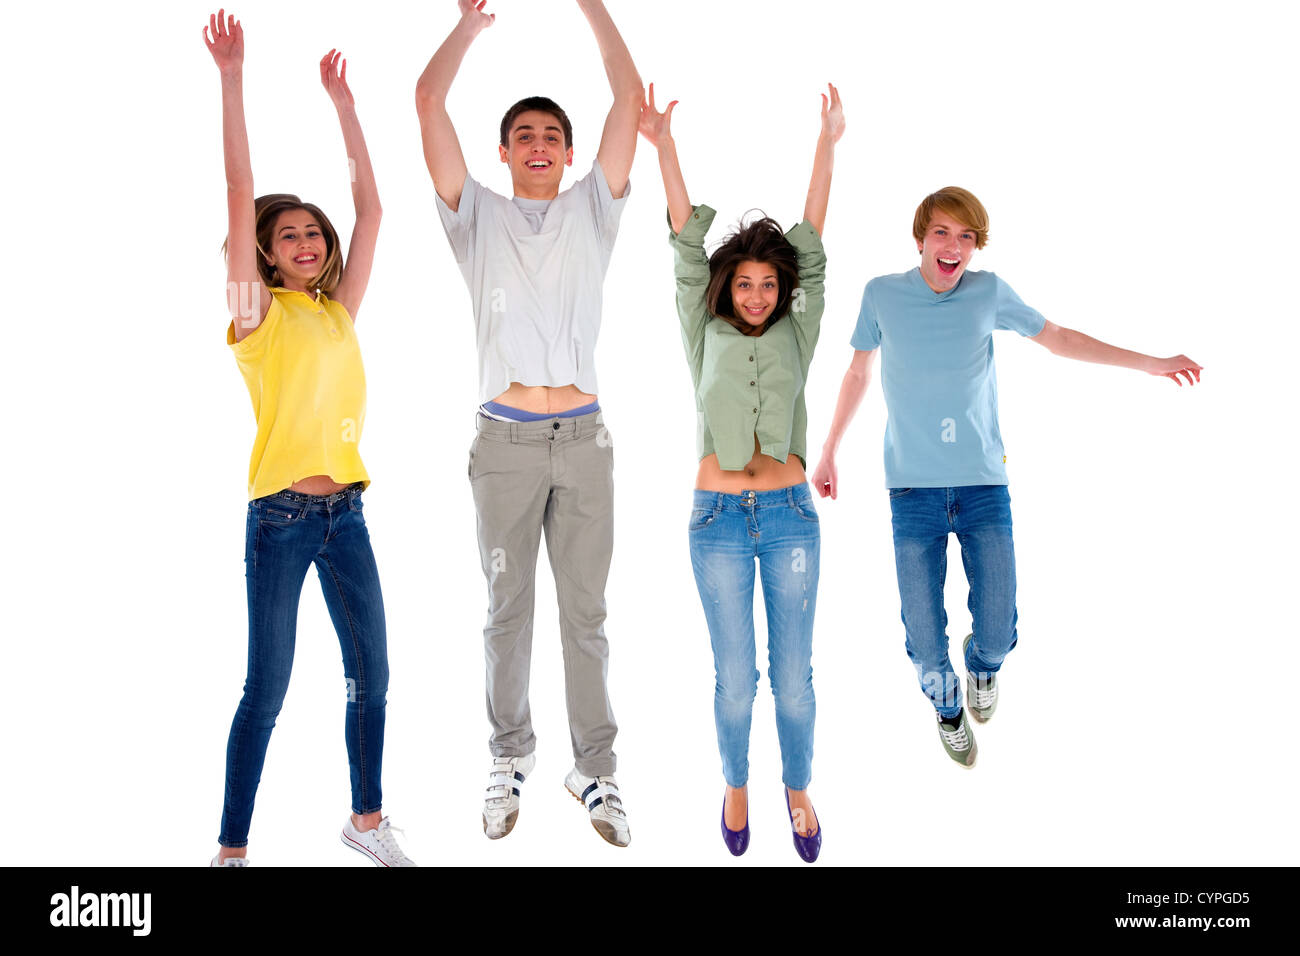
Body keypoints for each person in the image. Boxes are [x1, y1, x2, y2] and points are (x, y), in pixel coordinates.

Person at [812, 186, 1202, 768]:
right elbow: (858, 373)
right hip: (912, 490)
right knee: (923, 638)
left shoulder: (987, 292)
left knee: (996, 630)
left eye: (966, 237)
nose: (954, 246)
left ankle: (983, 666)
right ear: (921, 238)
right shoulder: (881, 295)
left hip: (981, 486)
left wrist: (1152, 362)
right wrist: (829, 450)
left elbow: (1059, 338)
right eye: (942, 233)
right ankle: (946, 710)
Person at [415, 0, 641, 847]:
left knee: (587, 614)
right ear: (504, 154)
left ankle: (597, 770)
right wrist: (469, 29)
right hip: (503, 445)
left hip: (583, 445)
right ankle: (510, 755)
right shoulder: (475, 217)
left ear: (569, 153)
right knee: (505, 610)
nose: (540, 144)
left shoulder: (594, 211)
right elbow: (425, 103)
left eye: (553, 135)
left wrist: (590, 5)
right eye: (525, 137)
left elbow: (625, 100)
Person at [205, 10, 413, 866]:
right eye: (286, 233)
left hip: (348, 516)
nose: (305, 239)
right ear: (263, 251)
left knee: (374, 677)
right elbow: (234, 189)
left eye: (311, 233)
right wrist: (232, 80)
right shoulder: (258, 316)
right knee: (267, 689)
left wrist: (345, 105)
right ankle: (231, 848)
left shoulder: (336, 312)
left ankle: (366, 823)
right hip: (282, 519)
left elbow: (372, 208)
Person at [639, 82, 845, 862]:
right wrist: (664, 148)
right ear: (727, 288)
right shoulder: (702, 331)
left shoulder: (799, 333)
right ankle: (734, 782)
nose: (757, 295)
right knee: (736, 680)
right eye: (746, 284)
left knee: (793, 679)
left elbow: (815, 242)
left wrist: (826, 141)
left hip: (791, 515)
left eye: (769, 285)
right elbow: (685, 252)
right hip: (718, 524)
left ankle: (797, 784)